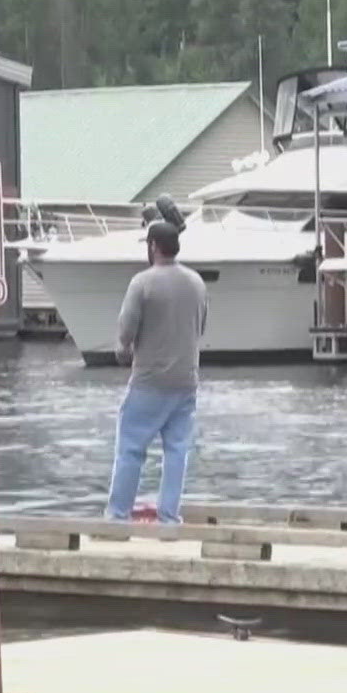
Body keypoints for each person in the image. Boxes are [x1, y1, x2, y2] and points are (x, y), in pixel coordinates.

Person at [106, 218, 207, 524]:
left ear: (153, 247)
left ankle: (118, 516)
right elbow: (200, 328)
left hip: (149, 382)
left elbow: (126, 332)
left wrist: (122, 352)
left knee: (131, 449)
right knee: (177, 451)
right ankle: (168, 516)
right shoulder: (197, 283)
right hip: (186, 382)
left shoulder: (142, 283)